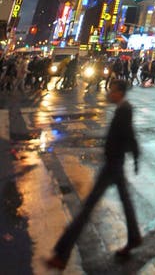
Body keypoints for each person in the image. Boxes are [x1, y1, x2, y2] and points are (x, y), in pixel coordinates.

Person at [45, 80, 141, 269]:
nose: (110, 93)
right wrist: (134, 156)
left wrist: (136, 156)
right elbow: (128, 136)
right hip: (114, 164)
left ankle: (61, 254)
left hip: (113, 165)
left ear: (120, 92)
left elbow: (129, 135)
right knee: (124, 201)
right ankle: (134, 237)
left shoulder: (125, 110)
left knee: (87, 208)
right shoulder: (123, 109)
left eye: (113, 90)